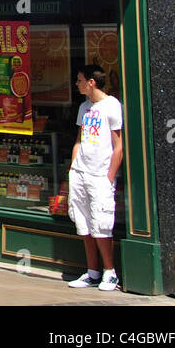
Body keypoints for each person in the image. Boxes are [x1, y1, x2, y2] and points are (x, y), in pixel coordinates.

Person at [67, 64, 123, 292]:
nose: (77, 83)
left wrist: (109, 177)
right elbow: (80, 139)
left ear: (91, 82)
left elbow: (118, 146)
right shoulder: (84, 107)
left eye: (80, 79)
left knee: (102, 223)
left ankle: (110, 272)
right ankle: (92, 271)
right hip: (80, 171)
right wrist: (73, 167)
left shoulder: (111, 106)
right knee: (84, 222)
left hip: (100, 174)